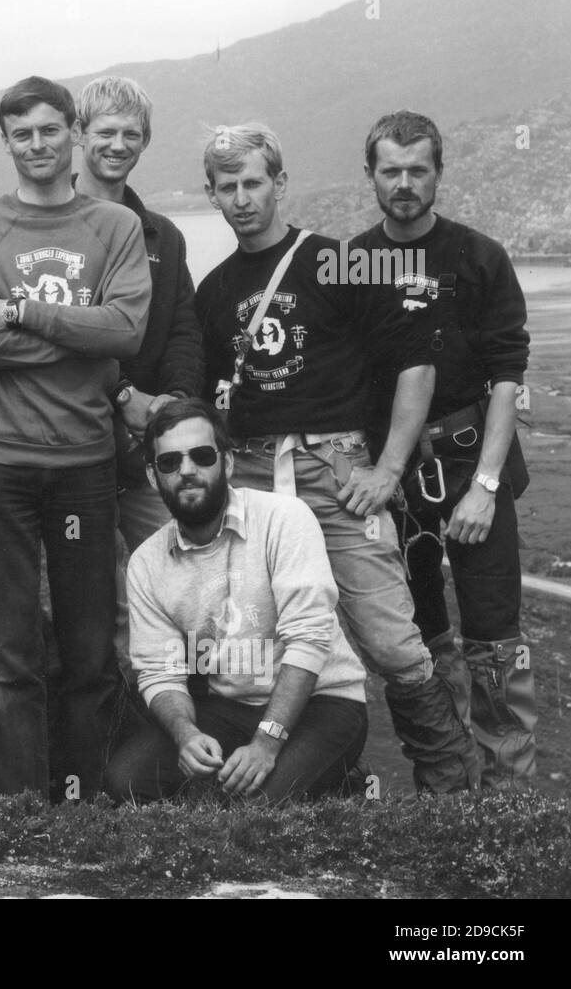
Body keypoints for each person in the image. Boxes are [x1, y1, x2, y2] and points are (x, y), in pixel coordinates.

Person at [194, 122, 478, 793]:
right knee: (264, 647)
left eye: (254, 182)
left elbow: (416, 364)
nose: (242, 198)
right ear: (212, 194)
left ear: (280, 184)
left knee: (392, 644)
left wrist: (387, 470)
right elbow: (206, 394)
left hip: (336, 472)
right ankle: (316, 789)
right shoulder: (211, 291)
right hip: (255, 478)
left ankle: (451, 798)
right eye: (227, 187)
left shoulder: (343, 260)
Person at [0, 76, 152, 800]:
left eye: (49, 131)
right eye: (22, 134)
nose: (37, 145)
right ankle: (19, 804)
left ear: (74, 133)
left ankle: (81, 795)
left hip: (85, 463)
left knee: (90, 647)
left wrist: (24, 313)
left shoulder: (115, 227)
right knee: (6, 650)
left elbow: (126, 331)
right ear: (6, 143)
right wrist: (80, 341)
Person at [354, 110, 534, 785]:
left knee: (495, 637)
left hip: (471, 463)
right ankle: (448, 788)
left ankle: (510, 797)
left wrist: (485, 487)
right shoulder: (351, 264)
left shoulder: (480, 256)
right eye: (391, 170)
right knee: (420, 639)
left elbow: (506, 377)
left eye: (417, 170)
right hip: (395, 478)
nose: (404, 183)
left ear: (438, 173)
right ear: (370, 173)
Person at [105, 399, 368, 804]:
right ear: (154, 477)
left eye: (202, 456)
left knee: (258, 805)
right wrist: (186, 735)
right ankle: (279, 776)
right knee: (127, 780)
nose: (187, 470)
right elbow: (160, 672)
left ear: (227, 463)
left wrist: (267, 743)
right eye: (170, 463)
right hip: (230, 706)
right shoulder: (146, 563)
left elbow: (309, 639)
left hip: (323, 701)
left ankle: (338, 780)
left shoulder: (285, 518)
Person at [72, 75, 204, 699]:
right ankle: (105, 747)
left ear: (146, 140)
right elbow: (56, 334)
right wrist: (123, 396)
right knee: (91, 599)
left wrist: (170, 414)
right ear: (79, 135)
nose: (117, 144)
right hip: (74, 439)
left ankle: (191, 730)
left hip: (150, 446)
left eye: (131, 134)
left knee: (183, 586)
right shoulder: (47, 222)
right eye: (105, 132)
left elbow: (182, 328)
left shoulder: (164, 237)